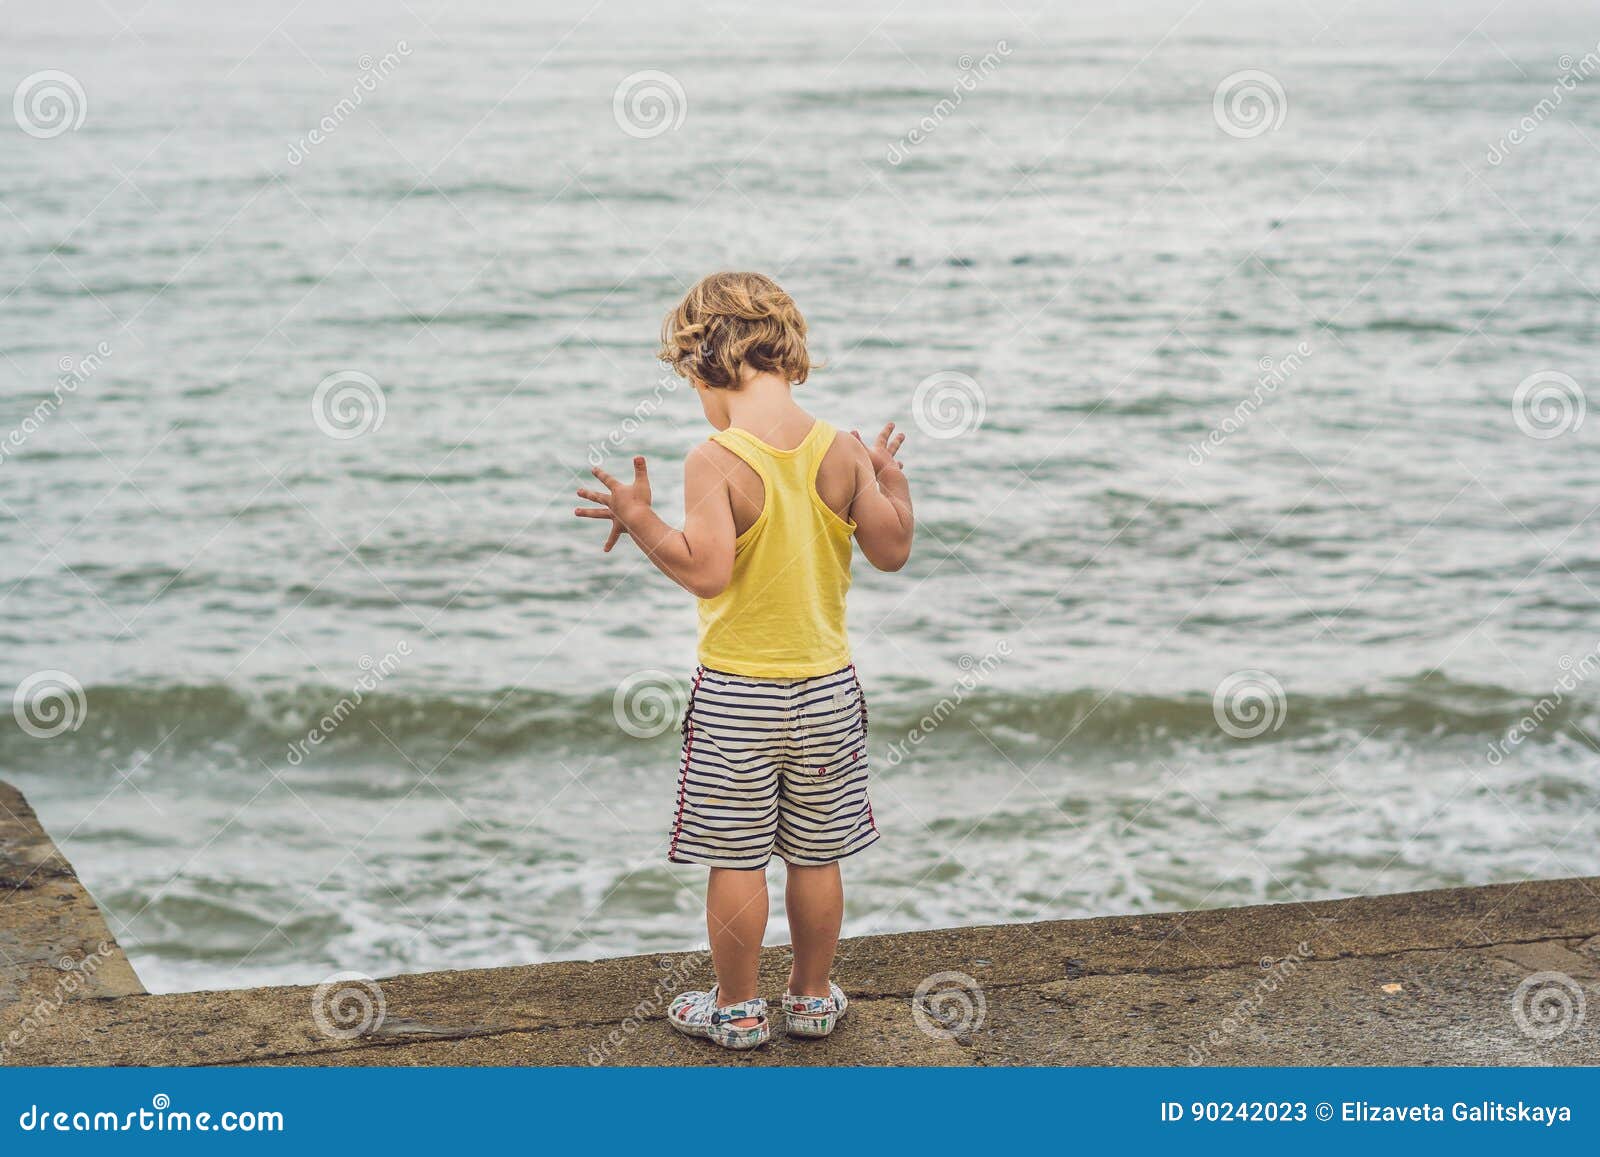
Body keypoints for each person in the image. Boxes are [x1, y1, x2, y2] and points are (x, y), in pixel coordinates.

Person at [574, 271, 915, 1049]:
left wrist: (638, 518)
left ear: (704, 364)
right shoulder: (842, 449)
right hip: (829, 690)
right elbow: (892, 549)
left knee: (735, 856)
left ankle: (736, 1009)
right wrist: (893, 482)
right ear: (787, 355)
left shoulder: (715, 457)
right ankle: (813, 996)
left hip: (738, 696)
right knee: (817, 850)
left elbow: (706, 571)